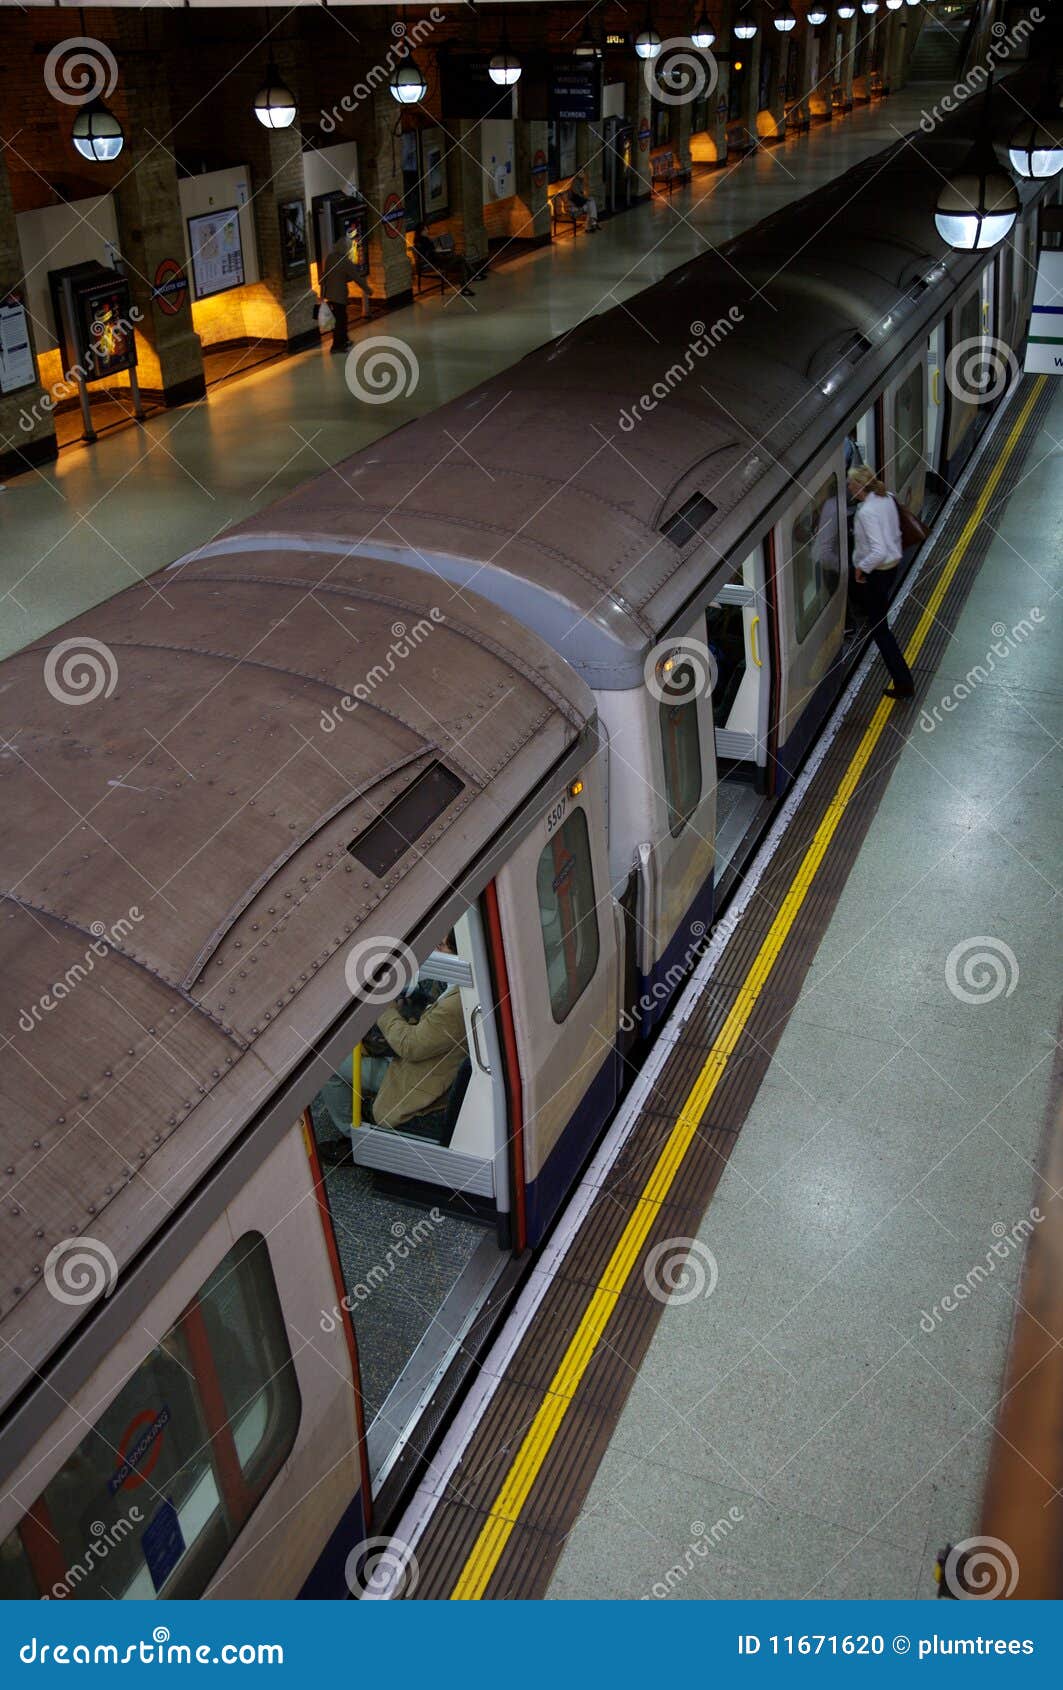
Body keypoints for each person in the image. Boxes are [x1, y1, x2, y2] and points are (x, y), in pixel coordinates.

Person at [847, 466, 915, 700]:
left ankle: (903, 683)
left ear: (859, 487)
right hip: (891, 568)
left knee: (881, 631)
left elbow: (878, 550)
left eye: (850, 483)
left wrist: (861, 568)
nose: (848, 487)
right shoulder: (887, 497)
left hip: (877, 573)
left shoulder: (867, 512)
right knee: (873, 615)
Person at [321, 230, 371, 355]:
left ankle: (344, 340)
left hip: (330, 295)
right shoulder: (345, 261)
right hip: (339, 296)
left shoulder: (330, 258)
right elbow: (357, 278)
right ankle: (337, 345)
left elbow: (325, 276)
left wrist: (322, 294)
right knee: (341, 321)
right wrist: (368, 289)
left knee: (339, 319)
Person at [412, 222, 474, 297]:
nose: (427, 231)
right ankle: (472, 275)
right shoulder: (420, 242)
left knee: (461, 263)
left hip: (438, 260)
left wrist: (437, 251)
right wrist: (436, 251)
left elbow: (432, 251)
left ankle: (466, 286)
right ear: (421, 231)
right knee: (460, 258)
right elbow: (427, 255)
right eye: (425, 229)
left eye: (427, 229)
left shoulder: (425, 239)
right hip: (435, 264)